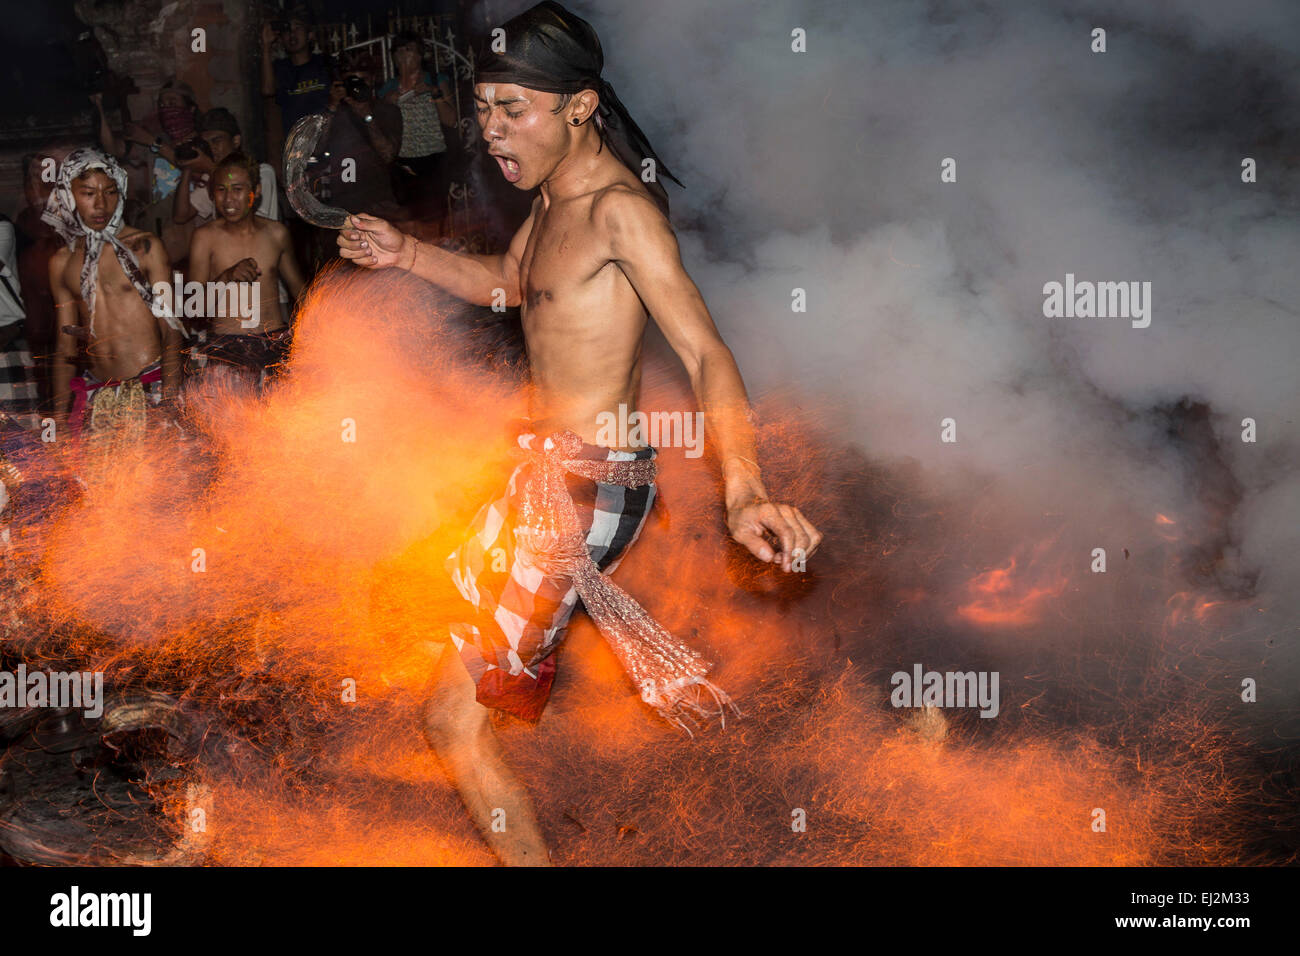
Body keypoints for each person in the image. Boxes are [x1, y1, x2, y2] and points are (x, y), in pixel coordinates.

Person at [339, 1, 822, 866]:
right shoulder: (555, 197)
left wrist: (745, 485)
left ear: (579, 107)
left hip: (586, 490)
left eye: (510, 109)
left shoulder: (617, 212)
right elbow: (511, 285)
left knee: (450, 722)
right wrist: (404, 254)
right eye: (481, 108)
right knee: (426, 628)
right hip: (546, 475)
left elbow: (707, 352)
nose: (489, 130)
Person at [44, 148, 184, 440]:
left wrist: (170, 402)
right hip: (99, 393)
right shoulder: (62, 261)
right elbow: (65, 346)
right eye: (87, 193)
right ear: (68, 196)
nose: (100, 204)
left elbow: (171, 329)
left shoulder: (144, 247)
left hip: (150, 384)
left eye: (109, 192)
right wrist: (58, 420)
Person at [186, 153, 305, 390]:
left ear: (256, 190)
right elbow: (194, 307)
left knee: (280, 424)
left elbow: (301, 293)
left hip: (273, 342)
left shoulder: (276, 234)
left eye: (237, 189)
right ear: (212, 194)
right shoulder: (205, 238)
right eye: (221, 190)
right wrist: (227, 277)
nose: (229, 199)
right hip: (226, 348)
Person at [378, 32, 457, 223]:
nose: (403, 54)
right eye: (398, 50)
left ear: (420, 55)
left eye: (408, 49)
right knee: (408, 220)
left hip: (434, 161)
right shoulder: (387, 88)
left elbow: (451, 120)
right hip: (402, 163)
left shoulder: (436, 81)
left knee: (435, 217)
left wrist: (433, 93)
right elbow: (378, 129)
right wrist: (386, 103)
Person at [174, 108, 281, 227]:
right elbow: (181, 216)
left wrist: (210, 169)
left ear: (235, 141)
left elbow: (249, 221)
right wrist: (187, 167)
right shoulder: (211, 176)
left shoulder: (262, 172)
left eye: (216, 141)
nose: (211, 147)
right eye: (206, 143)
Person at [261, 7, 331, 144]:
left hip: (328, 142)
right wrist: (266, 46)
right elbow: (267, 90)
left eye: (297, 28)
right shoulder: (281, 68)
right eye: (287, 30)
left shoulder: (325, 63)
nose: (292, 34)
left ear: (310, 34)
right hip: (297, 147)